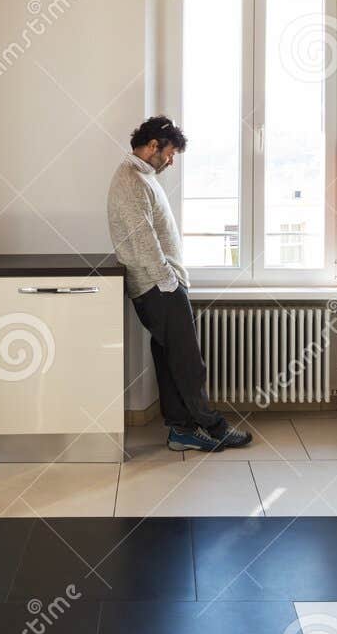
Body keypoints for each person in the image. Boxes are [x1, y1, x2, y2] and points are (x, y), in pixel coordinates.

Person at [107, 116, 253, 452]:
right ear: (154, 145)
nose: (171, 161)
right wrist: (169, 283)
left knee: (171, 358)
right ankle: (212, 426)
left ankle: (181, 430)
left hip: (159, 285)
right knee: (188, 362)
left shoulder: (142, 177)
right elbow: (143, 240)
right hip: (158, 287)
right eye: (170, 153)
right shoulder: (132, 180)